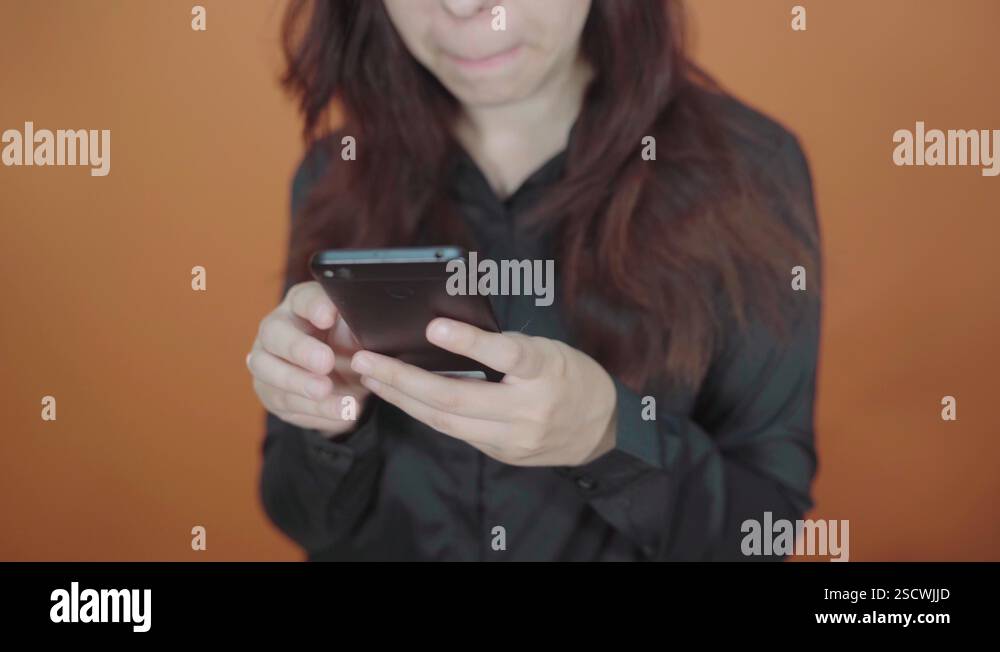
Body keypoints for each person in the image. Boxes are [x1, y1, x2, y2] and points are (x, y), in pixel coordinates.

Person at [248, 0, 822, 561]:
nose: (462, 6)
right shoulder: (335, 173)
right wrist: (332, 423)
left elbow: (764, 532)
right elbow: (298, 515)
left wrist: (606, 435)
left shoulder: (749, 173)